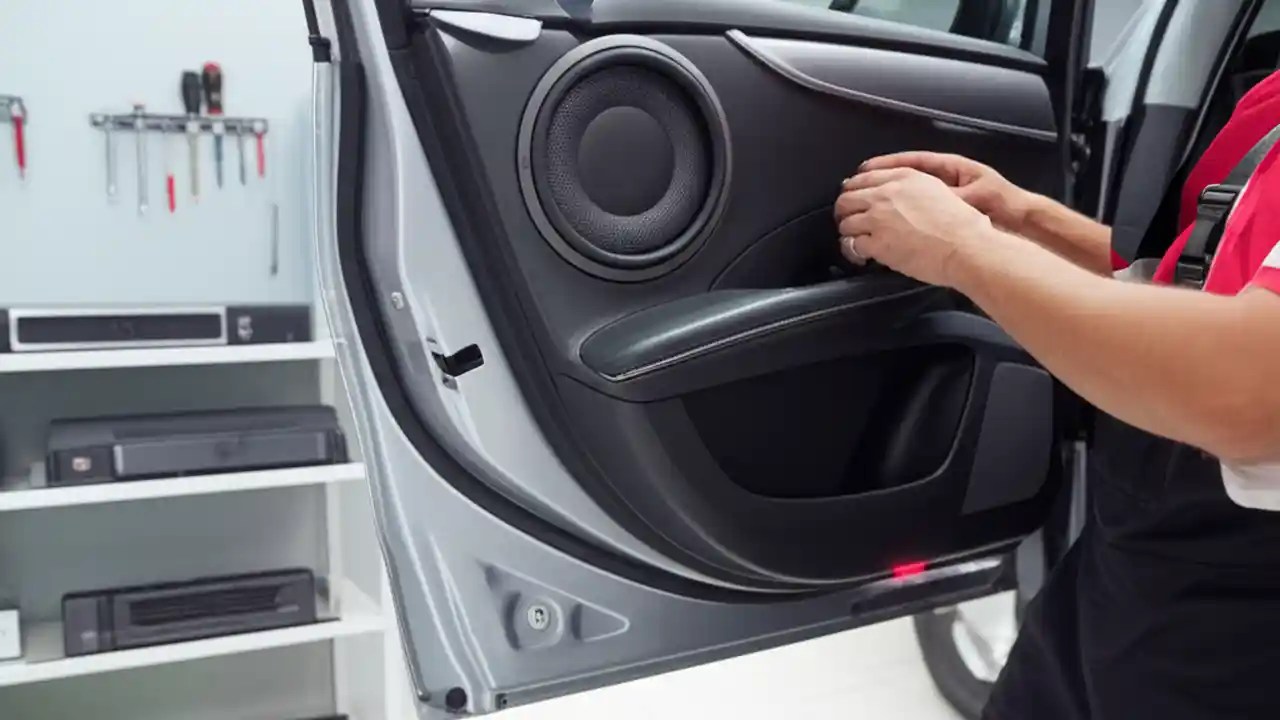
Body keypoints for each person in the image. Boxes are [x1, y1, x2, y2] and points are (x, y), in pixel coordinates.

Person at [834, 70, 1280, 720]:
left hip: (1235, 623)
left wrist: (963, 250)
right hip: (1127, 574)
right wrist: (1026, 220)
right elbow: (1200, 282)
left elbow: (1253, 389)